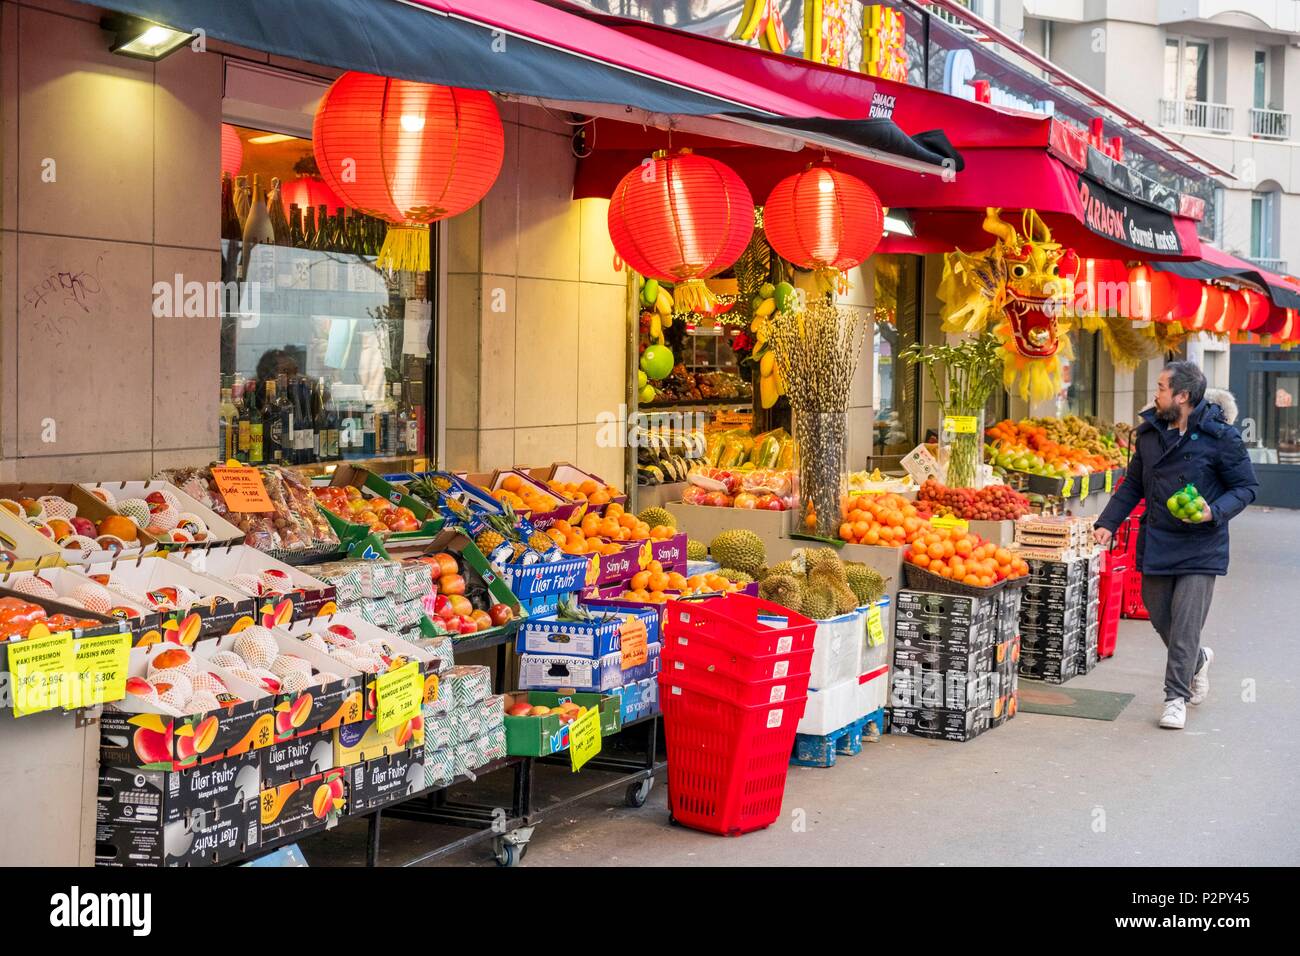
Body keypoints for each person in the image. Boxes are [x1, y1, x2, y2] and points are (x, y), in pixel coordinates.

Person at [1093, 361, 1258, 730]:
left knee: (1185, 623)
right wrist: (1107, 523)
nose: (1156, 393)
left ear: (1182, 396)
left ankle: (1175, 697)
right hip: (1158, 540)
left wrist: (1211, 513)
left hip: (1202, 543)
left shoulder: (1220, 436)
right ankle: (1197, 661)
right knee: (1159, 614)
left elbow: (1246, 487)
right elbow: (1133, 484)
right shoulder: (1150, 434)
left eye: (1162, 387)